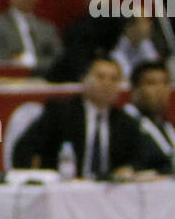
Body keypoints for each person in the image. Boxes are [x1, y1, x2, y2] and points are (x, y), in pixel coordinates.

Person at [12, 54, 158, 176]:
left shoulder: (125, 122)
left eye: (114, 79)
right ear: (84, 79)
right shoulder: (61, 113)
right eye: (100, 77)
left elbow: (143, 158)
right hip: (63, 192)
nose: (107, 84)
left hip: (109, 197)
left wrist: (130, 169)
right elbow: (23, 149)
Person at [125, 59, 175, 173]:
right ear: (134, 89)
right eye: (151, 83)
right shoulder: (124, 124)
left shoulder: (166, 126)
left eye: (165, 83)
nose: (160, 90)